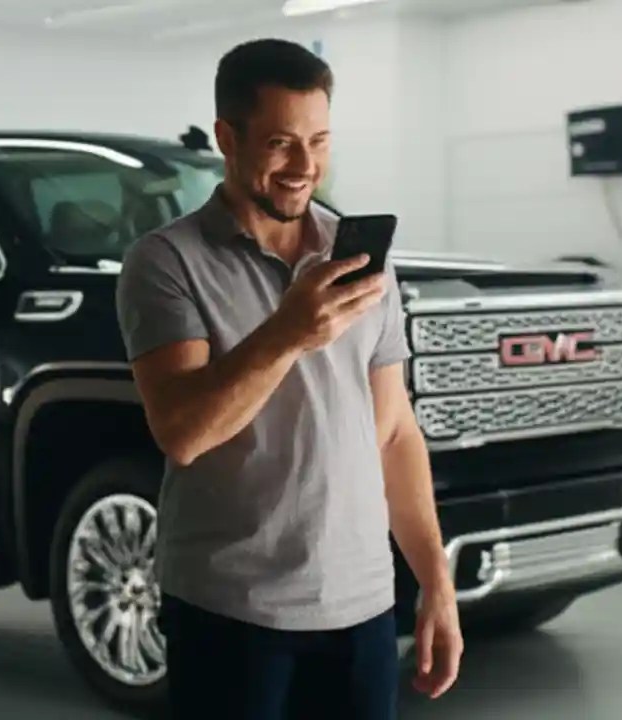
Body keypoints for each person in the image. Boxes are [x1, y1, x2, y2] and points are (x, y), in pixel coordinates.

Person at [115, 38, 463, 719]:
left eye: (319, 140)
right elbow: (184, 432)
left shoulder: (361, 261)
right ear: (227, 137)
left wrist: (436, 585)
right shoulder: (164, 264)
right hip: (230, 610)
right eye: (280, 142)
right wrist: (287, 332)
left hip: (362, 607)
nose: (305, 166)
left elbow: (392, 434)